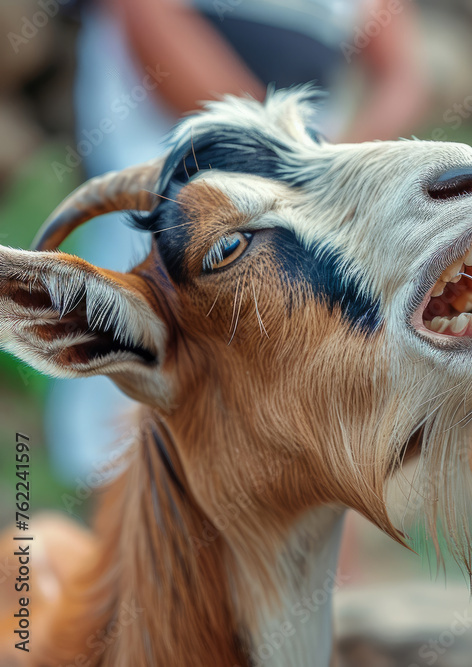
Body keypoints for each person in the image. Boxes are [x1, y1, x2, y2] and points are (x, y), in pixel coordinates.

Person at [48, 0, 427, 480]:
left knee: (314, 370)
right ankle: (125, 502)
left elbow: (403, 74)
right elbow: (147, 17)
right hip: (173, 164)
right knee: (153, 352)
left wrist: (340, 163)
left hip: (309, 175)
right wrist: (291, 158)